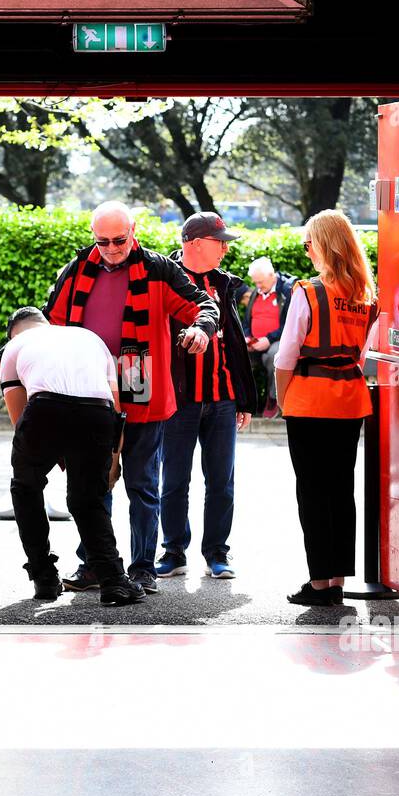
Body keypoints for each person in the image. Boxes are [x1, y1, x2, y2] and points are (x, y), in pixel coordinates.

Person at [0, 201, 219, 595]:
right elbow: (45, 323)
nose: (110, 248)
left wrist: (202, 331)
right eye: (102, 241)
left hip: (143, 389)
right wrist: (1, 355)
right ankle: (96, 565)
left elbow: (202, 305)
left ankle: (142, 568)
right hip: (87, 392)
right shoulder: (77, 269)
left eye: (119, 240)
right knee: (90, 487)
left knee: (142, 484)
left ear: (134, 231)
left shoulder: (159, 268)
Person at [0, 307, 145, 607]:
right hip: (97, 413)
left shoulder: (14, 347)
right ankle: (113, 581)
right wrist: (114, 459)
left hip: (44, 411)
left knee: (26, 488)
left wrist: (50, 451)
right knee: (87, 500)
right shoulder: (88, 337)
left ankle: (44, 578)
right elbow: (116, 405)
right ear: (46, 324)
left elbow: (20, 418)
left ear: (15, 333)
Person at [274, 209, 378, 607]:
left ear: (323, 245)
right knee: (340, 489)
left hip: (309, 401)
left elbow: (286, 357)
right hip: (350, 401)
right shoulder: (366, 298)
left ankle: (319, 584)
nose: (306, 252)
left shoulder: (308, 292)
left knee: (313, 493)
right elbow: (361, 355)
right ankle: (336, 579)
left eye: (308, 244)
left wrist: (284, 400)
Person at [157, 212, 257, 581]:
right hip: (178, 401)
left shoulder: (224, 284)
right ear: (196, 242)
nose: (226, 248)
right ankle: (173, 552)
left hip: (222, 400)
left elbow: (235, 345)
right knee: (174, 481)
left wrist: (244, 399)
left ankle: (217, 553)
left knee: (221, 482)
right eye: (220, 242)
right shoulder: (164, 279)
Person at [240, 256, 295, 418]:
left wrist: (269, 339)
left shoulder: (286, 292)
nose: (257, 286)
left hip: (277, 341)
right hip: (254, 342)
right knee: (238, 355)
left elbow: (290, 325)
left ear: (272, 276)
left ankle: (273, 398)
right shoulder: (256, 293)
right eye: (255, 282)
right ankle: (246, 402)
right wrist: (247, 336)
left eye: (260, 282)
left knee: (275, 355)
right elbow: (245, 321)